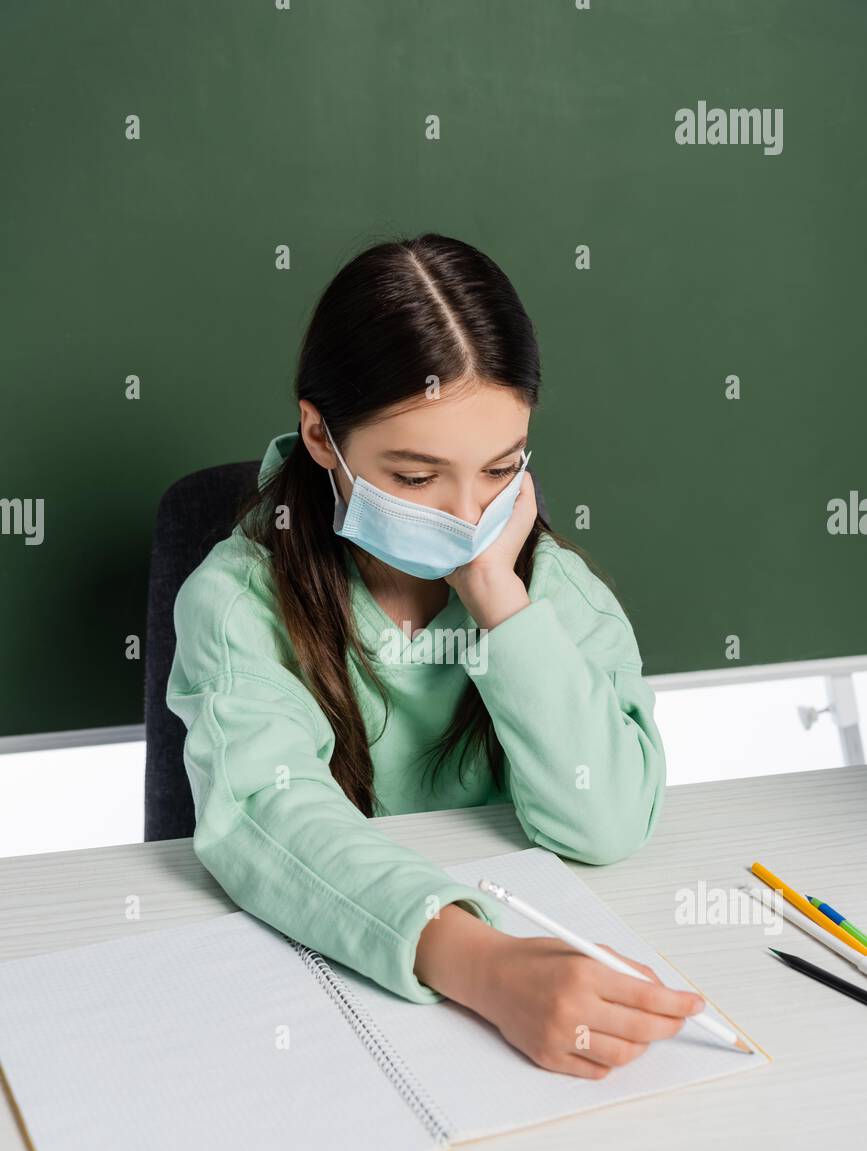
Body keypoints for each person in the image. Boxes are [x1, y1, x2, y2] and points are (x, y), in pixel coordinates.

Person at [167, 232, 705, 1079]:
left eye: (499, 469)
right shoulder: (237, 601)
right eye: (417, 479)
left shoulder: (552, 591)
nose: (463, 516)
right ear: (319, 433)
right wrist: (482, 966)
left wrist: (497, 599)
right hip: (332, 988)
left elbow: (603, 823)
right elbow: (272, 821)